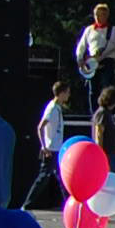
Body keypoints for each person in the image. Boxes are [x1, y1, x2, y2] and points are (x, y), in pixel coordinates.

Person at [71, 4, 115, 112]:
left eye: (102, 15)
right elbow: (81, 46)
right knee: (93, 90)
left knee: (107, 88)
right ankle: (94, 114)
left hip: (107, 60)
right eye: (97, 15)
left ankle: (108, 113)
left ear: (107, 16)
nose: (99, 17)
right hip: (92, 62)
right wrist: (80, 59)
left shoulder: (114, 30)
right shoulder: (89, 30)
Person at [25, 82, 71, 211]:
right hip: (52, 148)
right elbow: (40, 126)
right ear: (61, 93)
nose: (68, 95)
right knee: (44, 176)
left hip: (57, 147)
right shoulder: (52, 109)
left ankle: (68, 203)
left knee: (61, 176)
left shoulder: (57, 108)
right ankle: (27, 204)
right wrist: (44, 146)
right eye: (67, 92)